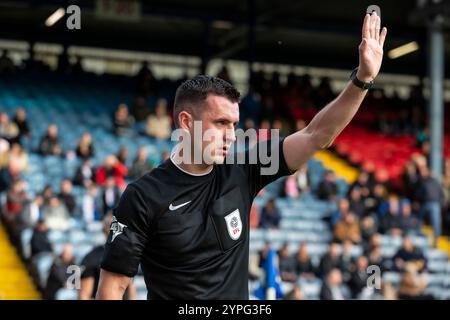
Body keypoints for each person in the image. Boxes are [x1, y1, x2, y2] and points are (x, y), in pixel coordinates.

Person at [97, 13, 387, 300]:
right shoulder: (143, 196)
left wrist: (362, 79)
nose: (231, 135)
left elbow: (317, 135)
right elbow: (113, 288)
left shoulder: (244, 169)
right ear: (186, 122)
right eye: (221, 123)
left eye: (234, 125)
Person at [79, 214, 137, 300]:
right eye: (111, 225)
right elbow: (84, 296)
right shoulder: (92, 257)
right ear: (104, 228)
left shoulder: (127, 255)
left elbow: (131, 290)